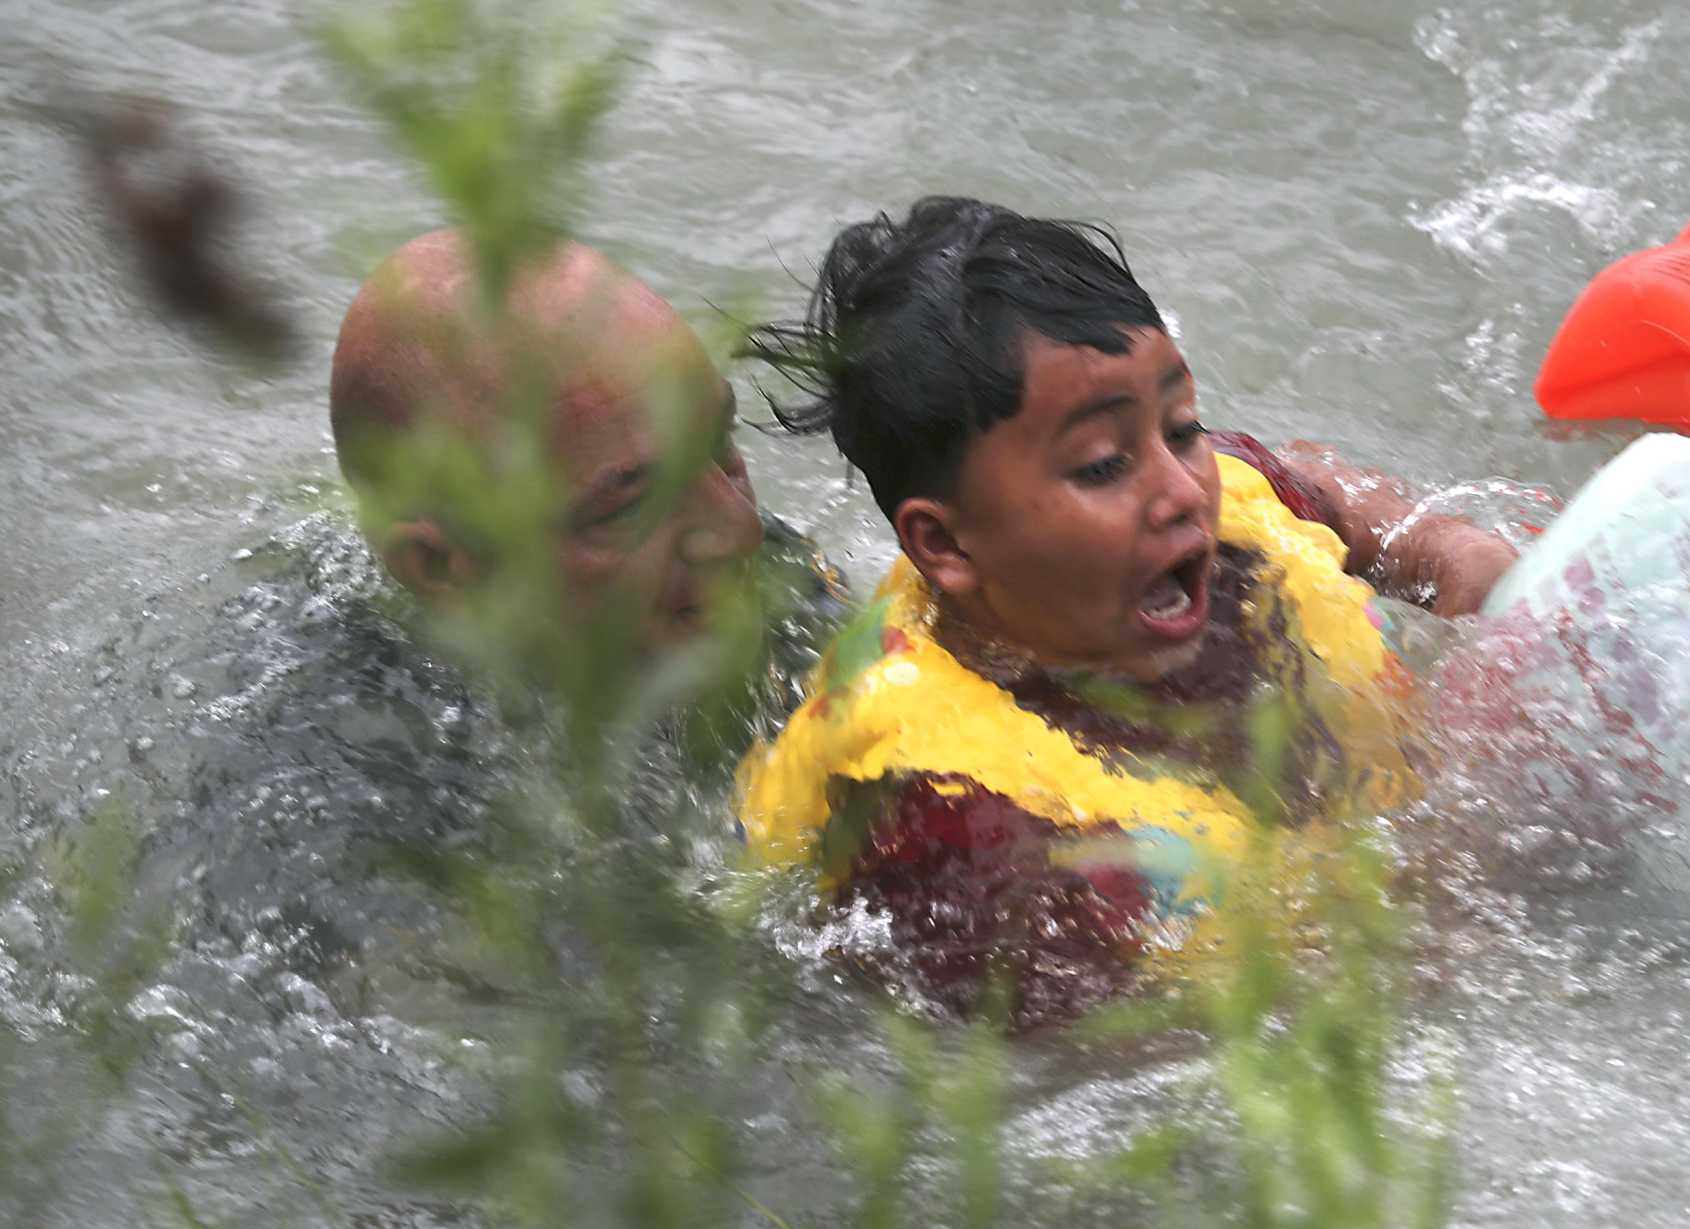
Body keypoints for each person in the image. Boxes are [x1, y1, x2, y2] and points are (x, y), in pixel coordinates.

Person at [737, 197, 1517, 1022]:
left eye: (1181, 426)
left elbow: (1353, 506)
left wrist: (1456, 553)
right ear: (947, 547)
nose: (1185, 488)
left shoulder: (1221, 517)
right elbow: (1150, 1069)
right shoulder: (962, 833)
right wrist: (1461, 869)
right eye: (1105, 467)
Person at [329, 229, 845, 757]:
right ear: (440, 568)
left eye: (719, 447)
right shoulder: (350, 781)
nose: (741, 531)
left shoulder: (790, 590)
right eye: (634, 505)